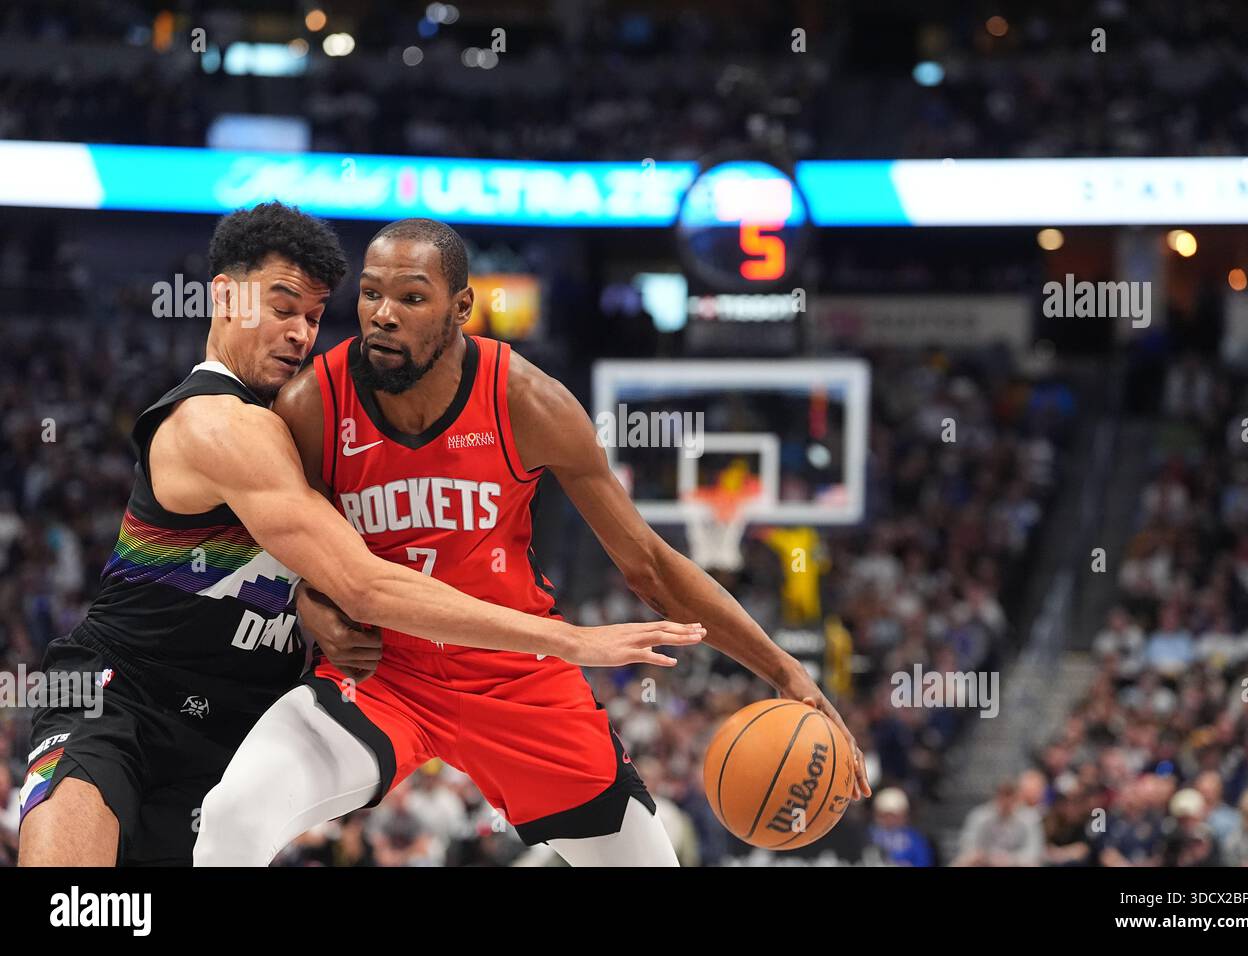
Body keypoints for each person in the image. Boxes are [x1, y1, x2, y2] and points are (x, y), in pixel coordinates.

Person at [17, 203, 700, 867]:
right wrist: (568, 639)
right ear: (223, 296)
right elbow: (366, 584)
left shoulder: (308, 417)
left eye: (313, 317)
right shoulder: (218, 421)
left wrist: (311, 604)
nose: (298, 334)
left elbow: (327, 571)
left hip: (226, 719)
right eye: (281, 308)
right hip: (120, 694)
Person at [194, 218, 870, 867]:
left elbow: (651, 567)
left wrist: (785, 670)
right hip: (382, 674)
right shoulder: (313, 403)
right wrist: (311, 601)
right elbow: (282, 549)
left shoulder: (525, 400)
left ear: (461, 308)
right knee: (231, 816)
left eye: (411, 296)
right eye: (371, 292)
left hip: (519, 675)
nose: (383, 314)